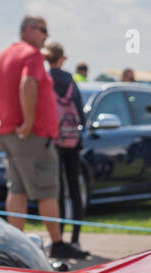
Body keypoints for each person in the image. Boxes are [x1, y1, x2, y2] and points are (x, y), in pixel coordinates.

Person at [0, 14, 68, 255]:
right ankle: (58, 244)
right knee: (47, 190)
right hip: (31, 136)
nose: (46, 36)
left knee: (17, 190)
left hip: (9, 134)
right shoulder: (32, 55)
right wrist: (28, 123)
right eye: (42, 30)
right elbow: (28, 84)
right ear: (28, 30)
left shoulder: (0, 58)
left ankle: (15, 248)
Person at [42, 39, 88, 258]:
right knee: (74, 190)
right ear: (62, 59)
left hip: (52, 142)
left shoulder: (45, 79)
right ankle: (75, 239)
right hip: (72, 142)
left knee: (57, 191)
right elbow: (80, 114)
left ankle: (57, 238)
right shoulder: (70, 80)